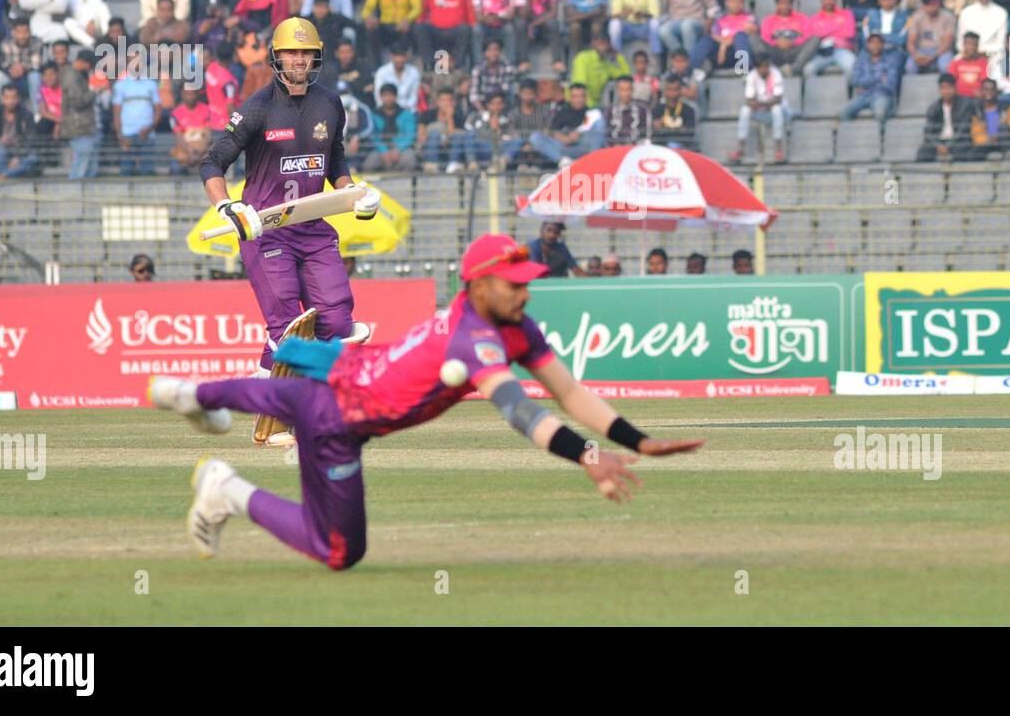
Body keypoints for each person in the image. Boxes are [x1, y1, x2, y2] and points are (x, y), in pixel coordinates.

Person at [148, 233, 702, 566]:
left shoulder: (514, 324)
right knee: (339, 552)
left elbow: (570, 393)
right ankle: (227, 486)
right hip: (339, 412)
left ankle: (200, 401)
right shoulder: (475, 337)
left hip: (345, 371)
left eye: (526, 281)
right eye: (515, 283)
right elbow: (517, 409)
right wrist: (587, 456)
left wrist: (638, 441)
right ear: (480, 287)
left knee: (277, 388)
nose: (526, 290)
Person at [198, 17, 383, 444]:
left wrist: (356, 195)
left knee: (336, 323)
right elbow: (212, 162)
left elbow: (334, 163)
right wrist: (228, 205)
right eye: (290, 53)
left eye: (305, 53)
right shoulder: (257, 106)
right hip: (266, 231)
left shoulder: (331, 104)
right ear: (276, 57)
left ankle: (265, 385)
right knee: (287, 326)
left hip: (313, 228)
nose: (298, 60)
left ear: (315, 56)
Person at [733, 52, 786, 163]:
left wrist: (762, 104)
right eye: (760, 67)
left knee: (777, 110)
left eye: (765, 66)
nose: (763, 70)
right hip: (761, 109)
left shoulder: (775, 74)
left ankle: (778, 149)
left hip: (778, 111)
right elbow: (748, 99)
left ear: (768, 66)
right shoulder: (752, 75)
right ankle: (740, 148)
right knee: (744, 111)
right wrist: (757, 105)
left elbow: (778, 98)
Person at [916, 73, 975, 163]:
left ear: (955, 88)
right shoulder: (934, 108)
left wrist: (948, 145)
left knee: (962, 152)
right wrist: (938, 146)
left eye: (949, 87)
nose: (946, 91)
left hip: (958, 141)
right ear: (939, 90)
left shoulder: (965, 105)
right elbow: (928, 132)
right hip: (939, 141)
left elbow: (963, 129)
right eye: (943, 88)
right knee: (922, 153)